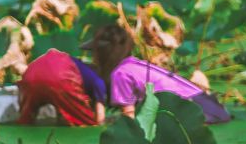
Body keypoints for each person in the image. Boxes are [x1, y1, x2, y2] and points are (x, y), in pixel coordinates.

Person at [90, 22, 230, 124]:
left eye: (94, 52)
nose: (93, 58)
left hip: (196, 113)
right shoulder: (135, 64)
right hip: (211, 106)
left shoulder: (120, 74)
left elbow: (129, 119)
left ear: (103, 53)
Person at [16, 47, 108, 125]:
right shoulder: (98, 81)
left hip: (30, 76)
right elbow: (100, 119)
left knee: (25, 122)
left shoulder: (80, 67)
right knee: (87, 124)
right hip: (61, 77)